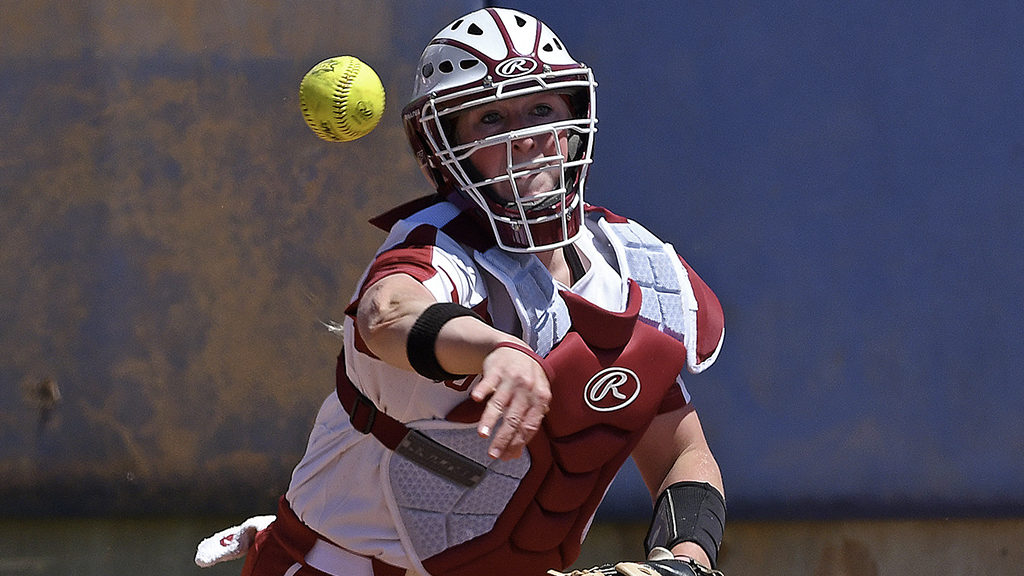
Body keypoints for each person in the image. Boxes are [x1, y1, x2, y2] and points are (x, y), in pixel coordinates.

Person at [197, 7, 727, 576]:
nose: (524, 138)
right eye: (491, 120)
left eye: (541, 108)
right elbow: (387, 313)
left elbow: (681, 455)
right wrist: (495, 349)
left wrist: (685, 563)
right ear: (445, 147)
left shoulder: (635, 269)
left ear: (573, 123)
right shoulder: (437, 245)